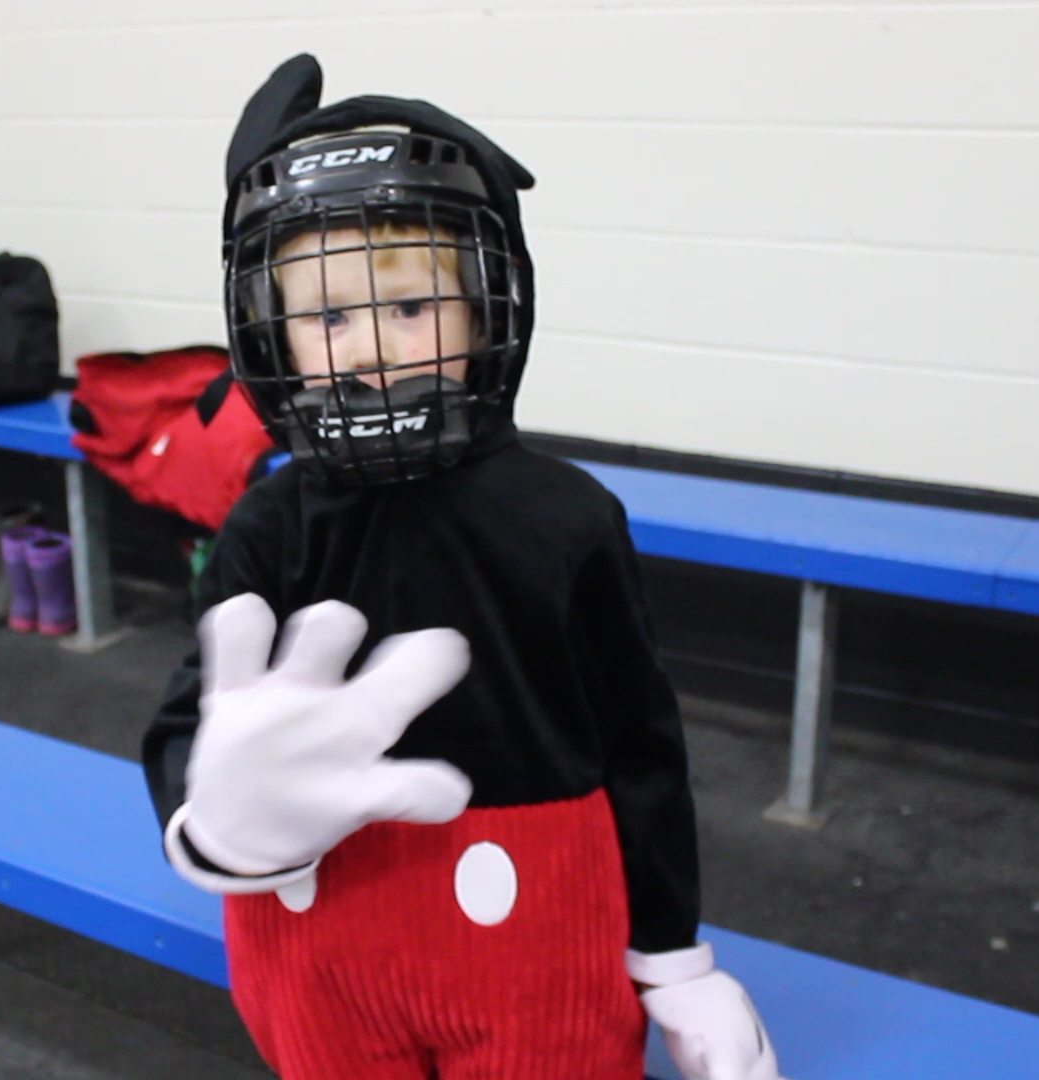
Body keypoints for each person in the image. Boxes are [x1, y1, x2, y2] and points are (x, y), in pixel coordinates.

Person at [141, 53, 779, 1079]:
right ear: (273, 333)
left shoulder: (567, 516)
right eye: (327, 316)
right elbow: (191, 718)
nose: (366, 352)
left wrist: (672, 956)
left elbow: (640, 745)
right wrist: (222, 818)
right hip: (320, 936)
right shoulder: (268, 521)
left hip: (541, 944)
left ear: (486, 306)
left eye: (407, 308)